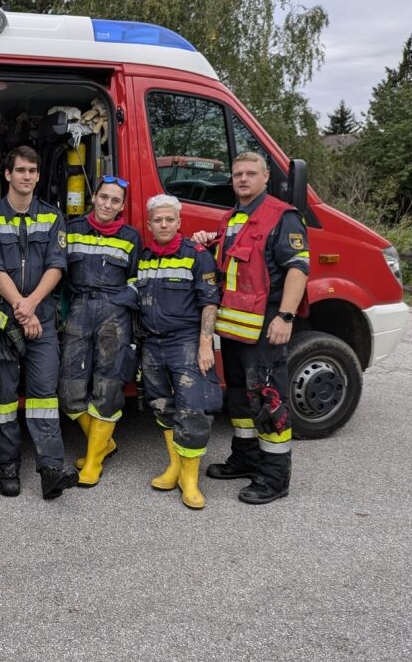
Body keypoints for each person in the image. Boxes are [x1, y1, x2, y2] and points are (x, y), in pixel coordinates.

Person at [193, 151, 309, 504]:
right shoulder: (233, 217)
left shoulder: (281, 216)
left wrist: (285, 316)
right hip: (235, 328)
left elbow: (297, 269)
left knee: (268, 399)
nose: (242, 179)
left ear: (264, 178)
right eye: (237, 174)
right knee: (241, 399)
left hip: (265, 325)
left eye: (250, 173)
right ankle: (245, 460)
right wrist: (206, 242)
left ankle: (275, 479)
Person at [0, 146, 78, 500]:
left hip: (42, 318)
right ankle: (8, 467)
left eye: (33, 170)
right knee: (3, 397)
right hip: (5, 319)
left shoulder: (52, 217)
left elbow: (57, 265)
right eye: (20, 170)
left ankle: (51, 468)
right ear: (7, 174)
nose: (28, 176)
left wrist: (32, 305)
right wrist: (21, 306)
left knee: (43, 395)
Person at [118, 194, 222, 509]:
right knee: (162, 406)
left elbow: (209, 300)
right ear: (149, 225)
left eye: (169, 219)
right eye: (157, 220)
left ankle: (190, 481)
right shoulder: (145, 257)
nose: (163, 224)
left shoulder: (197, 255)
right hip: (152, 343)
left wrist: (206, 344)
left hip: (186, 342)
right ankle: (175, 467)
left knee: (192, 410)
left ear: (178, 223)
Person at [57, 176, 142, 487]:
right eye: (104, 197)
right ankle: (103, 442)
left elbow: (137, 279)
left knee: (108, 388)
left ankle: (92, 462)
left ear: (121, 207)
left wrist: (122, 302)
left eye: (115, 201)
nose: (108, 204)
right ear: (94, 197)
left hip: (114, 314)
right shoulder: (72, 229)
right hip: (79, 310)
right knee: (68, 390)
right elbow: (58, 271)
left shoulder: (131, 236)